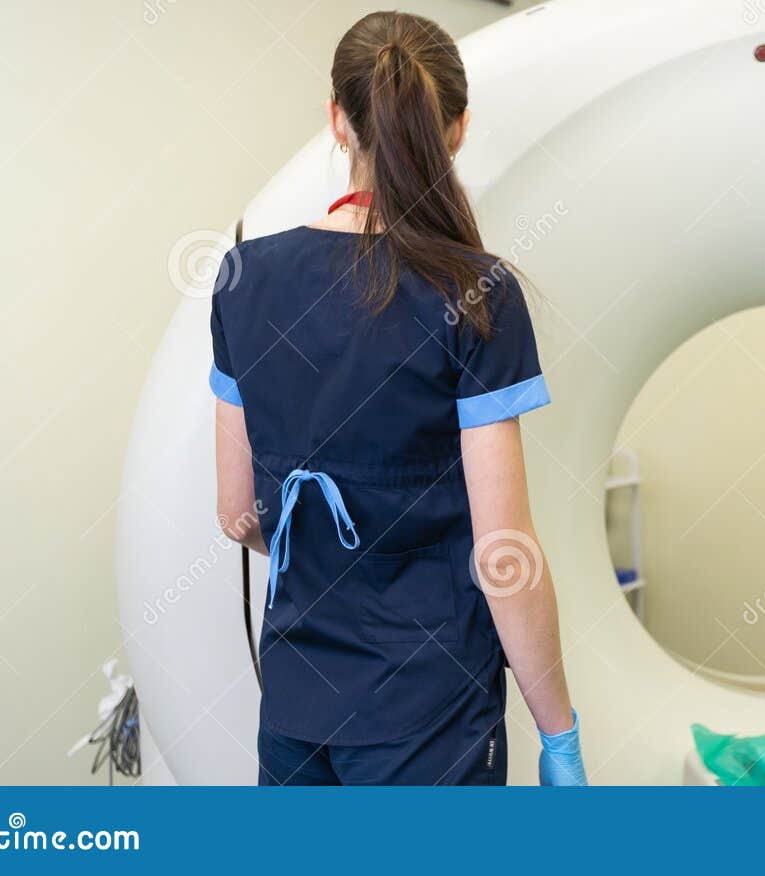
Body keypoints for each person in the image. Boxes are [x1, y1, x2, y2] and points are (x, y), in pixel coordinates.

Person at [208, 10, 584, 786]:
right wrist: (560, 734)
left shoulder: (246, 279)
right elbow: (503, 558)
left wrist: (328, 553)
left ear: (338, 122)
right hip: (430, 717)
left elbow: (238, 513)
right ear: (458, 129)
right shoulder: (477, 293)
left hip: (295, 713)